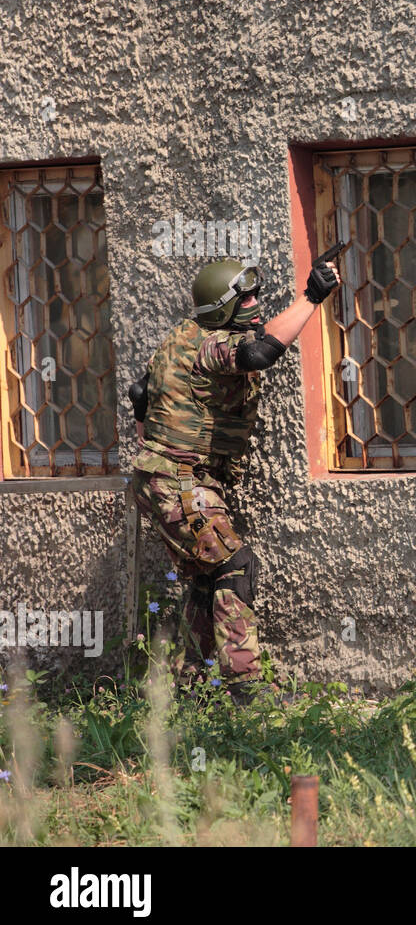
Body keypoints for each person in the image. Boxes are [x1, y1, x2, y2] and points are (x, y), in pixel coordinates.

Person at [129, 254, 340, 704]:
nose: (255, 302)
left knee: (209, 578)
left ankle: (193, 688)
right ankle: (246, 690)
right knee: (235, 566)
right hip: (180, 479)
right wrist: (312, 298)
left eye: (256, 294)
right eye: (245, 297)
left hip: (168, 475)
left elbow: (139, 392)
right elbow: (259, 352)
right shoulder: (212, 345)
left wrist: (151, 444)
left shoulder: (180, 336)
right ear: (224, 307)